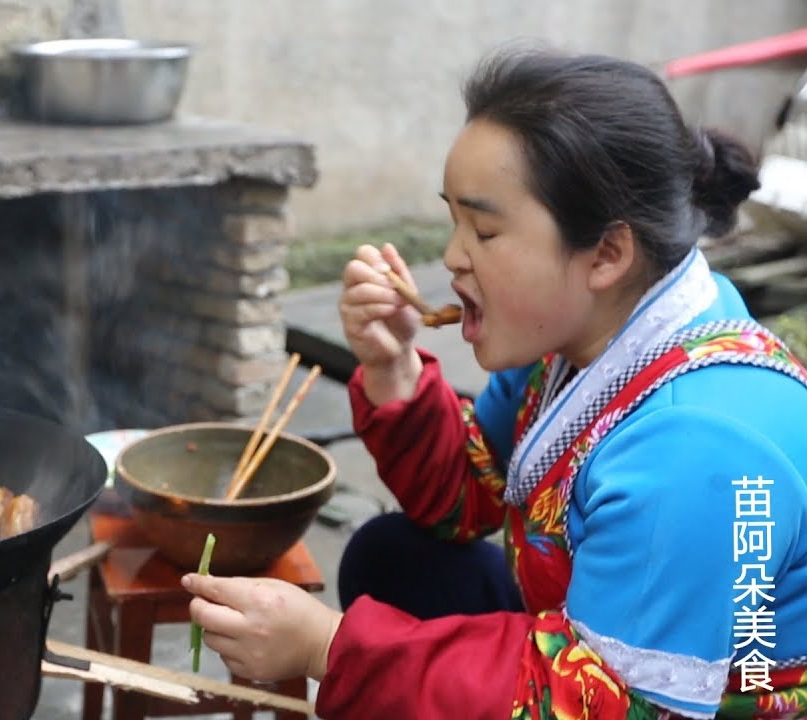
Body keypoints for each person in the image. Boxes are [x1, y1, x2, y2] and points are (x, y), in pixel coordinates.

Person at [182, 44, 807, 719]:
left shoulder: (699, 446)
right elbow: (467, 500)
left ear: (606, 253)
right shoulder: (585, 341)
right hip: (590, 635)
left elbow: (605, 705)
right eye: (453, 221)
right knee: (396, 558)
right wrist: (392, 369)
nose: (452, 258)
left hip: (674, 699)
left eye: (483, 229)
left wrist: (330, 649)